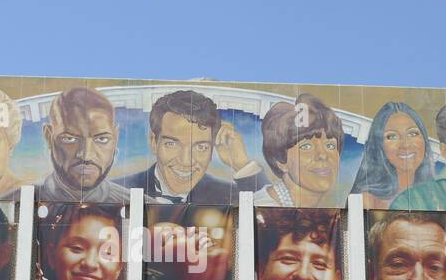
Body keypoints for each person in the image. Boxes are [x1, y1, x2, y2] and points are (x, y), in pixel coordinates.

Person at [112, 90, 266, 203]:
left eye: (201, 147)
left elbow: (274, 214)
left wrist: (242, 165)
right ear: (153, 141)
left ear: (213, 147)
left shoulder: (229, 195)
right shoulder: (116, 193)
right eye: (172, 144)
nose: (186, 161)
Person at [37, 87, 130, 203]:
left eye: (102, 139)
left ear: (115, 139)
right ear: (48, 137)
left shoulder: (136, 204)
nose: (86, 156)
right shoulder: (20, 200)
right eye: (69, 139)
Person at [255, 93, 345, 207]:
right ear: (281, 161)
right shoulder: (262, 208)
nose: (322, 155)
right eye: (306, 146)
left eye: (330, 146)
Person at [351, 102, 436, 210]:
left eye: (413, 134)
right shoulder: (367, 201)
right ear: (378, 145)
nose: (405, 145)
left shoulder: (436, 196)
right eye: (392, 136)